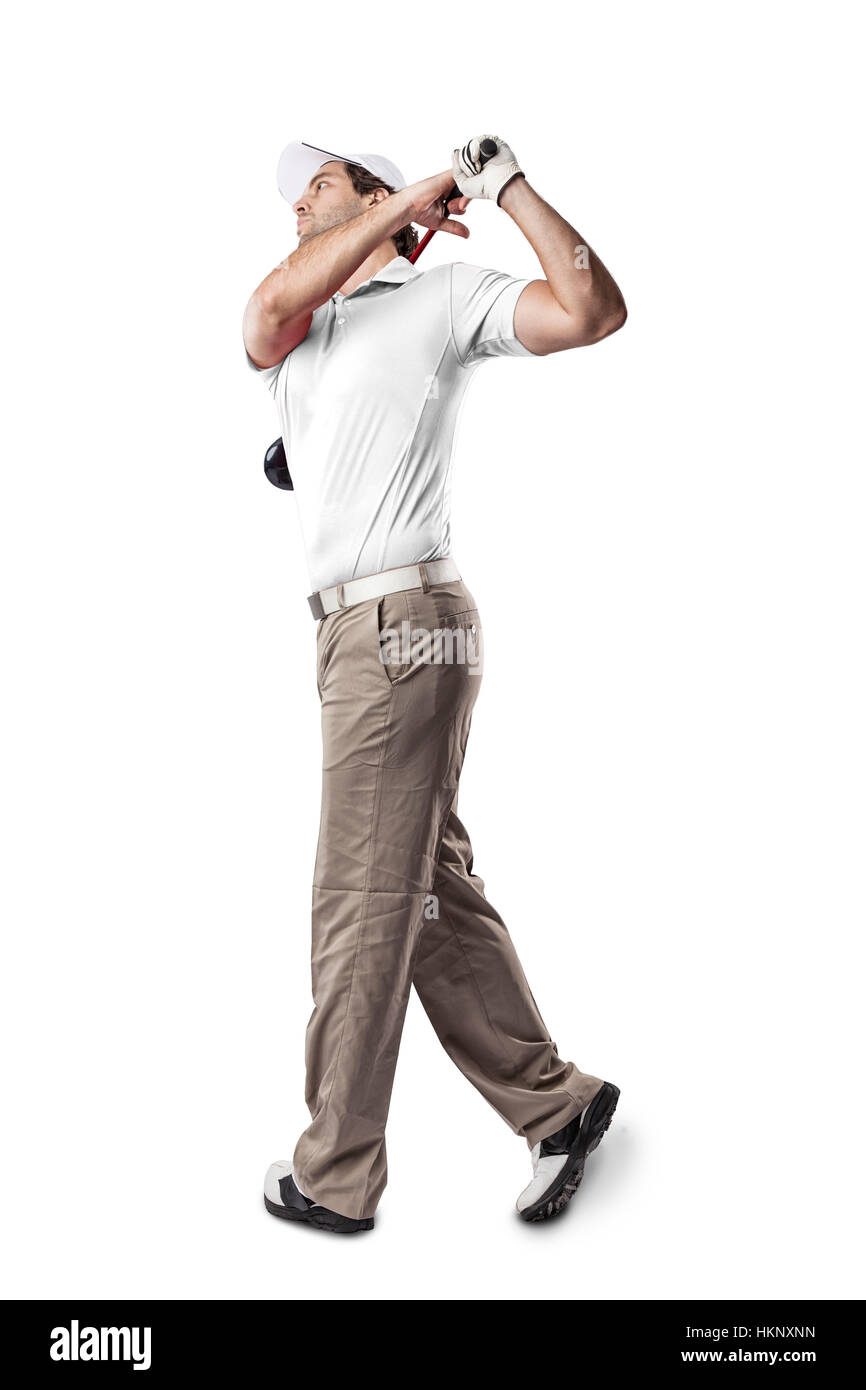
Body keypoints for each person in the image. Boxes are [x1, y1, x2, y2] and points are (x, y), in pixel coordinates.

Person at [243, 135, 627, 1234]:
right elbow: (264, 312)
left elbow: (588, 311)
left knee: (358, 901)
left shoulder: (440, 299)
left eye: (318, 183)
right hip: (359, 634)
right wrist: (401, 205)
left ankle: (334, 1173)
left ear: (371, 192)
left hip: (401, 625)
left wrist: (496, 186)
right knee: (419, 889)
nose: (297, 204)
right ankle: (559, 1105)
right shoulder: (301, 326)